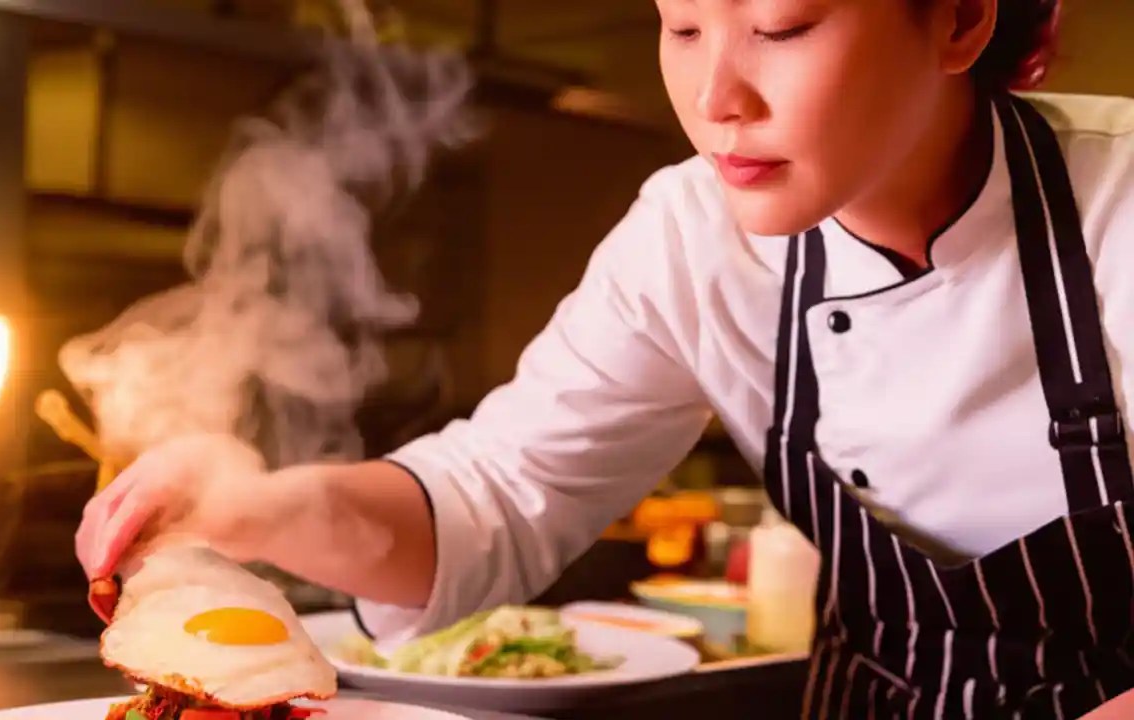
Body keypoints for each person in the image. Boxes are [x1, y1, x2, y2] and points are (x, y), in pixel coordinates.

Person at [76, 0, 1134, 716]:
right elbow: (492, 497)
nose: (716, 94)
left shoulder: (1118, 208)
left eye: (778, 24)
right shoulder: (689, 236)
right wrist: (248, 505)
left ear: (956, 20)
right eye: (679, 24)